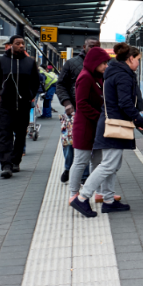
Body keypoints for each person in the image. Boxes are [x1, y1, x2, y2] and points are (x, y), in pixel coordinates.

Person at [72, 44, 143, 218]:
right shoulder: (123, 75)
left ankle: (109, 201)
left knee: (112, 163)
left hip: (111, 121)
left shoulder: (114, 72)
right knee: (109, 164)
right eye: (137, 60)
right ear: (130, 59)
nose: (138, 63)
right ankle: (82, 198)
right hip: (114, 124)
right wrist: (138, 118)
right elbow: (125, 102)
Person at [0, 36, 41, 179]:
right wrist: (2, 92)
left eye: (22, 44)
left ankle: (15, 162)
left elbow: (35, 82)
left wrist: (30, 94)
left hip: (23, 106)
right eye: (17, 43)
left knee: (20, 135)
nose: (21, 46)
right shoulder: (1, 61)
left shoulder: (30, 62)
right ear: (10, 45)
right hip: (6, 106)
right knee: (4, 135)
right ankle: (6, 165)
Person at [68, 46, 111, 204]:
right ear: (94, 62)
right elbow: (82, 104)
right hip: (85, 127)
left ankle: (98, 192)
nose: (106, 66)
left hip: (95, 127)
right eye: (103, 63)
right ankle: (73, 194)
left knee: (98, 161)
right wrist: (100, 117)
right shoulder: (85, 77)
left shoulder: (97, 77)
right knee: (81, 161)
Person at [56, 38, 99, 181]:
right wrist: (67, 104)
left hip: (93, 110)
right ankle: (69, 167)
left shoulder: (102, 65)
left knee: (87, 144)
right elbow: (61, 85)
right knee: (69, 142)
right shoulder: (71, 63)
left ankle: (84, 176)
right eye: (91, 46)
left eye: (96, 47)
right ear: (84, 47)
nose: (93, 49)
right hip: (73, 109)